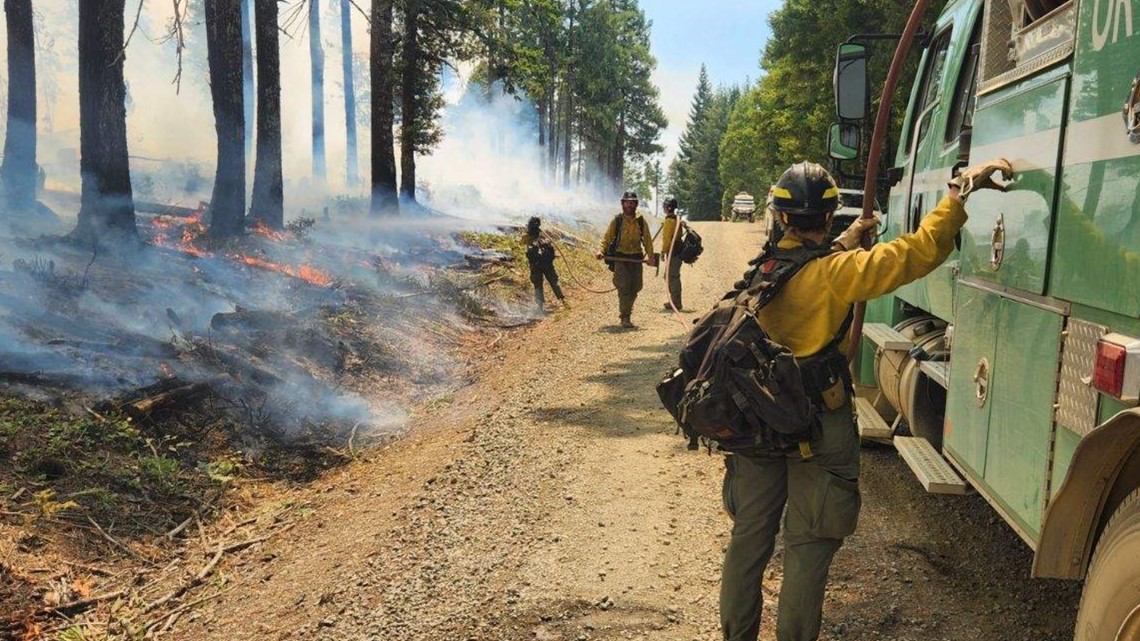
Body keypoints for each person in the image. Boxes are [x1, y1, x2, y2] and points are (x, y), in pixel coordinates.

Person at [719, 158, 1013, 641]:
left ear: (781, 218)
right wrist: (959, 194)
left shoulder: (765, 270)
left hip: (758, 425)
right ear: (827, 218)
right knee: (809, 545)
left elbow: (811, 266)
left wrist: (851, 237)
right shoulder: (839, 274)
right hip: (818, 426)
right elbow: (915, 253)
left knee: (749, 537)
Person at [595, 191, 656, 328]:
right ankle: (625, 317)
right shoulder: (617, 221)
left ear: (636, 204)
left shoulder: (641, 221)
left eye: (632, 202)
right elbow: (606, 238)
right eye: (627, 202)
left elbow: (647, 241)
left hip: (636, 258)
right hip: (620, 258)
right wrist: (600, 250)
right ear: (623, 204)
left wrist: (651, 257)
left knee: (636, 287)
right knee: (623, 287)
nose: (629, 205)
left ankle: (627, 312)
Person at [524, 216, 566, 314]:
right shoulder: (539, 235)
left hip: (539, 264)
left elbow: (527, 247)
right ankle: (562, 300)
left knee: (540, 284)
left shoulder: (537, 236)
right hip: (543, 264)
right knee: (550, 281)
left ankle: (541, 306)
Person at [660, 196, 685, 311]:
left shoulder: (670, 221)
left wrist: (663, 252)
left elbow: (667, 240)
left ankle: (676, 303)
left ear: (668, 207)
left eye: (664, 206)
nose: (663, 208)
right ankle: (674, 301)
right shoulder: (676, 219)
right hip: (676, 252)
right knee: (669, 276)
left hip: (673, 253)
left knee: (672, 277)